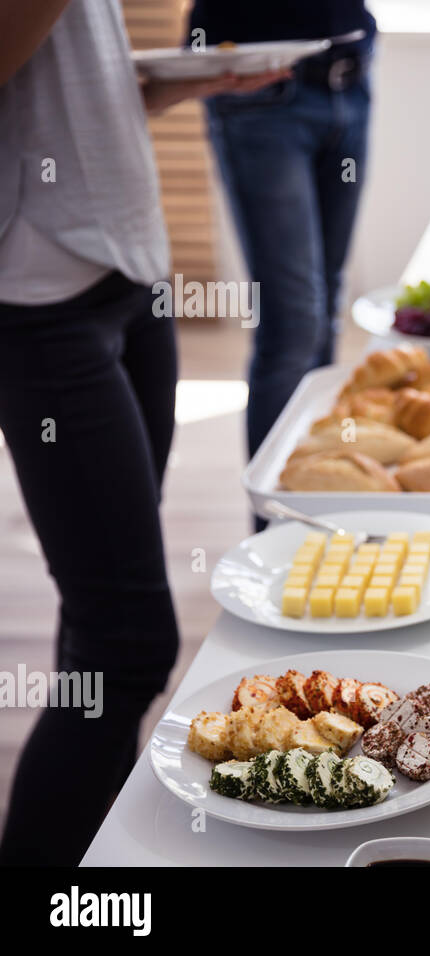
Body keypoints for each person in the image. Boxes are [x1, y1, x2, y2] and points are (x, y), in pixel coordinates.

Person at [0, 0, 284, 865]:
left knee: (99, 613)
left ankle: (97, 860)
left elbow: (53, 80)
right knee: (128, 642)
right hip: (37, 286)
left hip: (131, 264)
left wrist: (158, 82)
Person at [188, 1, 376, 490]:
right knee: (294, 320)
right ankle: (275, 528)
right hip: (259, 88)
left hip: (348, 73)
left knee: (325, 301)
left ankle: (319, 496)